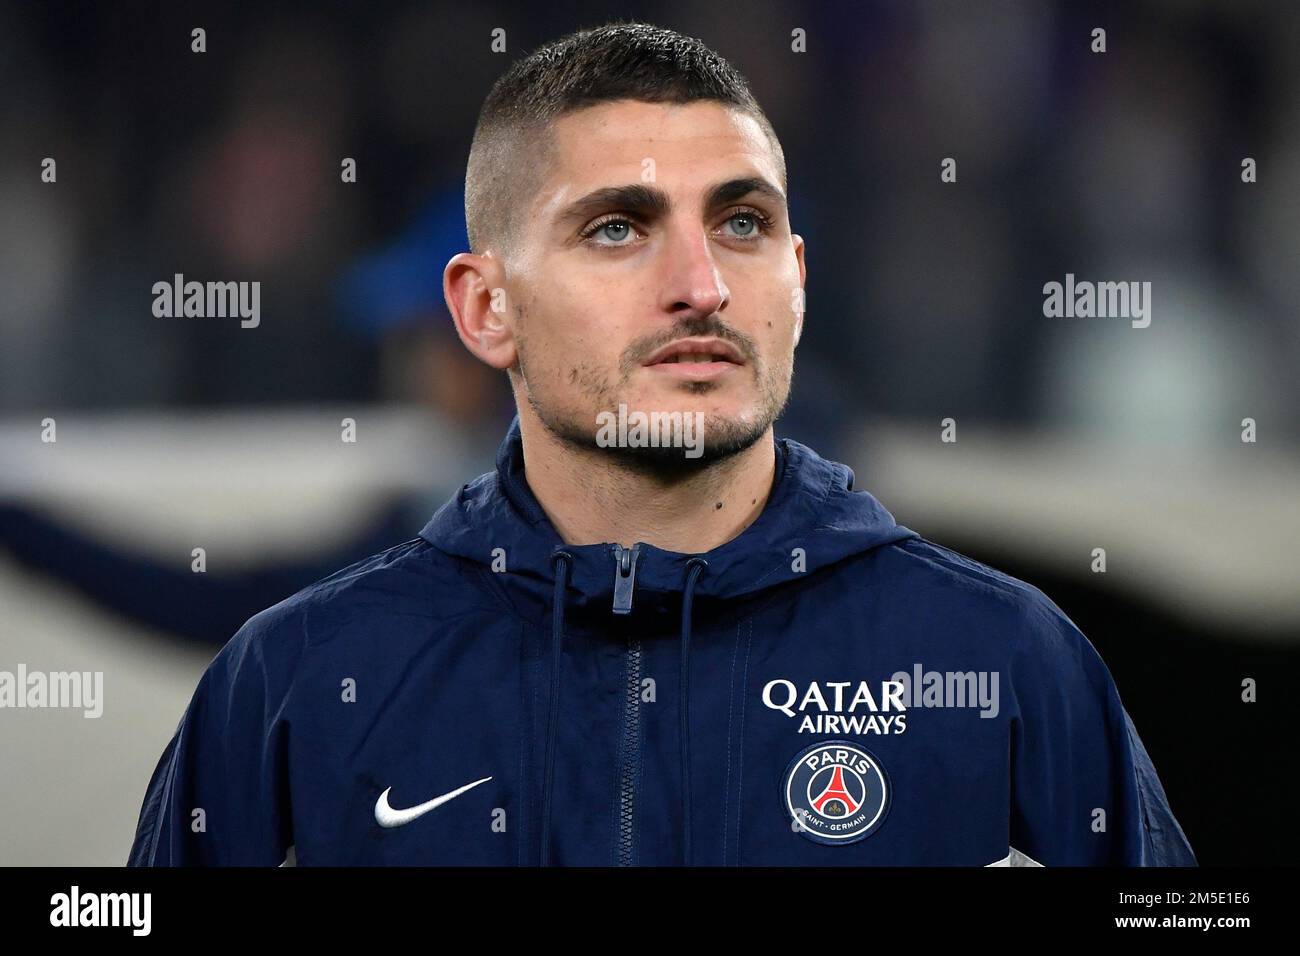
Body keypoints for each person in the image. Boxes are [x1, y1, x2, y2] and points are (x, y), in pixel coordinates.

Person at [128, 22, 1195, 867]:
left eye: (742, 223)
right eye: (617, 227)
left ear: (797, 280)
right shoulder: (297, 677)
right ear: (487, 308)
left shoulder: (1000, 655)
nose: (702, 283)